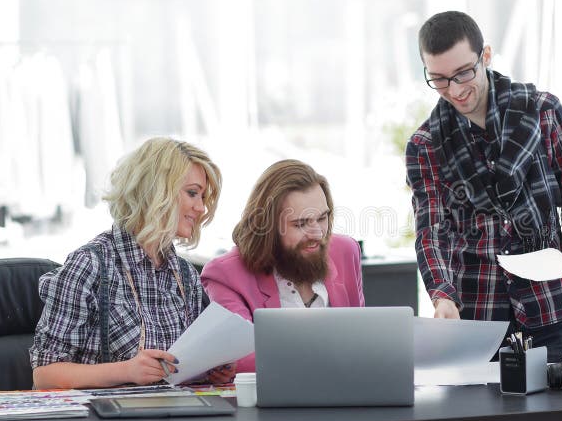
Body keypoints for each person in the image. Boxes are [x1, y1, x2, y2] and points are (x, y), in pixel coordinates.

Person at [406, 10, 562, 363]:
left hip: (546, 307)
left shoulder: (543, 112)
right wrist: (441, 295)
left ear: (486, 56)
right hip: (474, 316)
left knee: (557, 419)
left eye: (464, 73)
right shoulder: (426, 144)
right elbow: (431, 231)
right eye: (440, 79)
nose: (456, 90)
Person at [30, 137, 235, 389]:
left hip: (173, 417)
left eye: (203, 196)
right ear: (156, 190)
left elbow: (183, 367)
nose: (202, 207)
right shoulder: (91, 265)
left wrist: (212, 370)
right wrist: (126, 370)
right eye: (192, 193)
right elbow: (44, 377)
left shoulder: (185, 275)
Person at [201, 159, 364, 373]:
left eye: (322, 218)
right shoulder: (225, 274)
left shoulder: (345, 250)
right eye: (301, 224)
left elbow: (361, 337)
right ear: (267, 226)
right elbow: (239, 356)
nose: (317, 234)